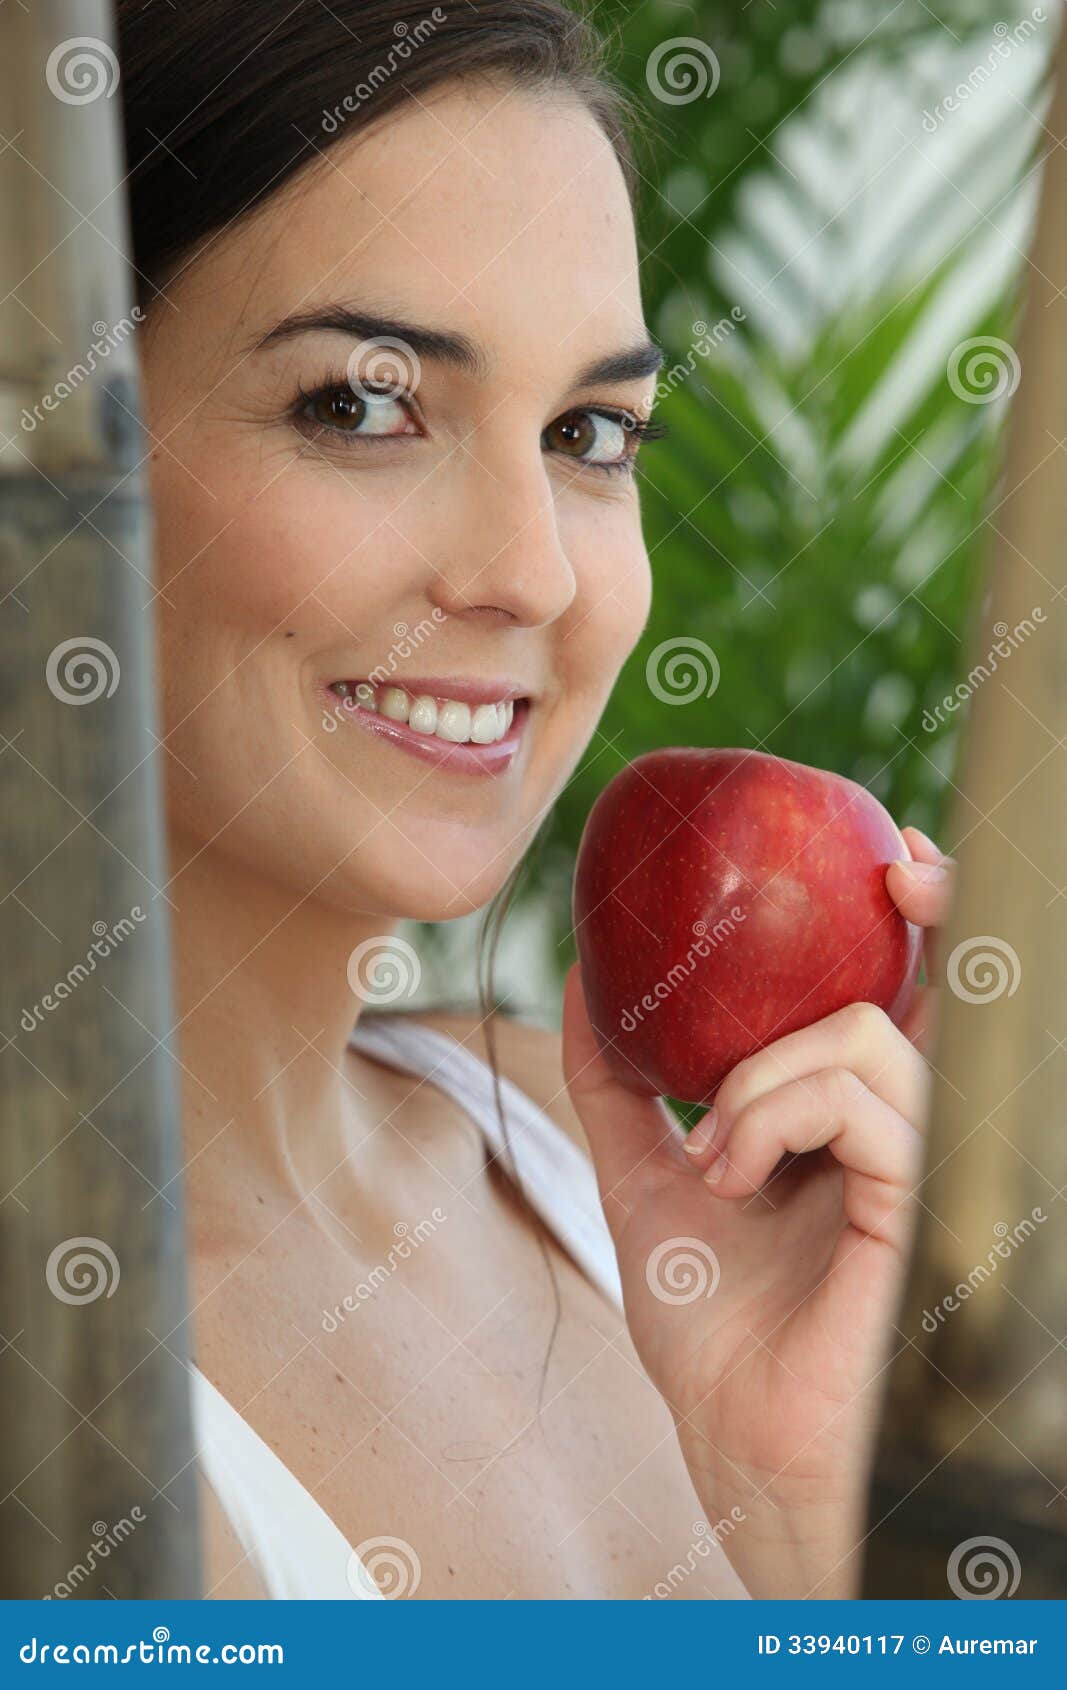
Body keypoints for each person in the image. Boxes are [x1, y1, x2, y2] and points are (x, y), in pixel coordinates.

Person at [119, 0, 953, 1599]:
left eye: (590, 434)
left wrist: (820, 1521)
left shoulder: (612, 1166)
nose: (533, 571)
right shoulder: (68, 1389)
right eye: (362, 406)